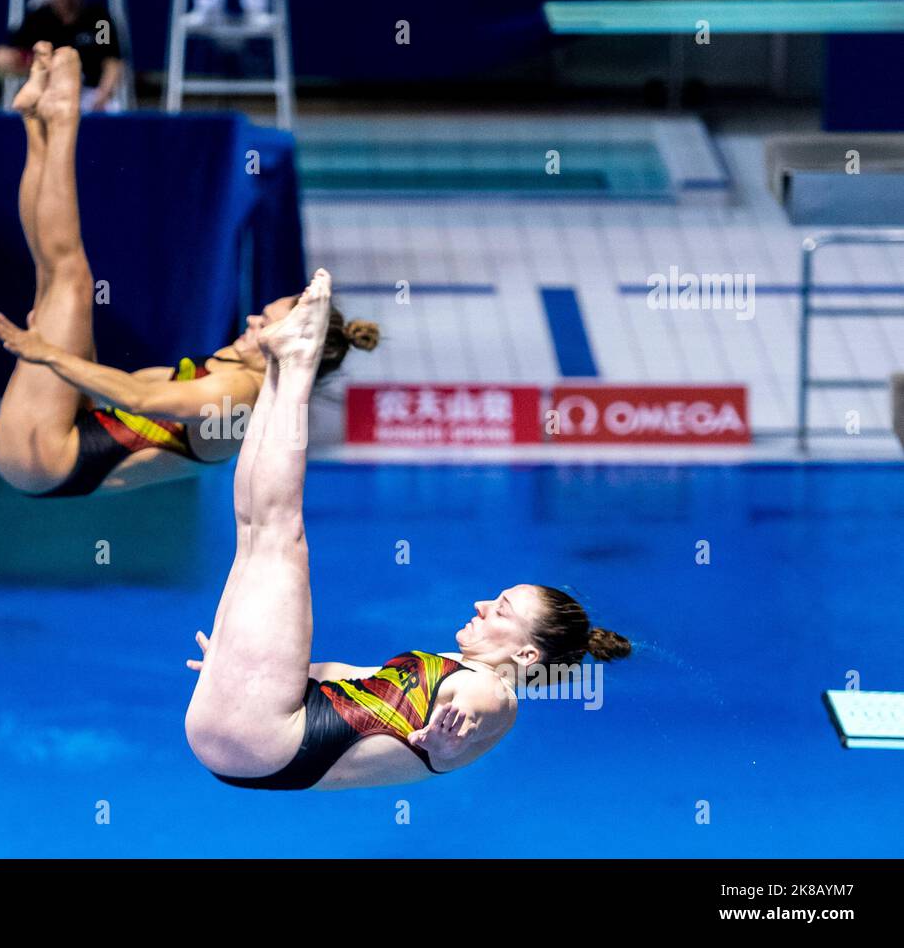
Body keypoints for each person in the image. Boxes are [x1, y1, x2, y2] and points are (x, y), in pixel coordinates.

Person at [183, 271, 633, 790]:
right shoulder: (448, 667)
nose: (482, 604)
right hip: (249, 739)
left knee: (277, 533)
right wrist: (241, 664)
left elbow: (478, 708)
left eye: (501, 609)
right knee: (258, 534)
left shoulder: (495, 696)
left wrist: (450, 737)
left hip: (268, 738)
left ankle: (299, 358)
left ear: (527, 655)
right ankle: (280, 366)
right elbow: (345, 678)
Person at [0, 45, 379, 498]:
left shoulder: (238, 396)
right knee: (55, 279)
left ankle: (63, 118)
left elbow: (137, 399)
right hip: (62, 436)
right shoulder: (238, 367)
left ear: (289, 352)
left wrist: (50, 355)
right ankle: (36, 120)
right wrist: (66, 346)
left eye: (265, 325)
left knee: (70, 277)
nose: (252, 321)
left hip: (49, 457)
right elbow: (129, 393)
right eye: (262, 314)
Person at [0, 0, 125, 113]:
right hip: (49, 93)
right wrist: (19, 62)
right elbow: (4, 55)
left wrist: (103, 94)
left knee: (112, 112)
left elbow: (112, 61)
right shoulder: (38, 19)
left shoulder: (100, 20)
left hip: (90, 94)